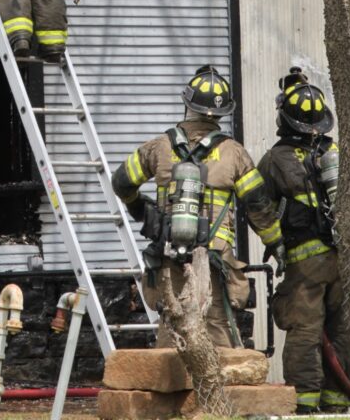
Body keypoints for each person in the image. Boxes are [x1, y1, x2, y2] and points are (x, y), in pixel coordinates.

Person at [112, 65, 285, 347]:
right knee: (217, 331)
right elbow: (258, 207)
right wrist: (277, 244)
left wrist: (139, 210)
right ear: (222, 112)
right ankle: (216, 392)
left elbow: (121, 182)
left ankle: (171, 391)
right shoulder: (235, 154)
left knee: (173, 330)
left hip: (169, 258)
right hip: (214, 262)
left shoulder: (159, 148)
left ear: (187, 103)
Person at [257, 66, 350, 415]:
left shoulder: (275, 160)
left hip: (305, 261)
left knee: (304, 329)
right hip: (342, 261)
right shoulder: (339, 153)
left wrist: (277, 244)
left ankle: (305, 402)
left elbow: (257, 205)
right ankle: (338, 401)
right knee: (341, 329)